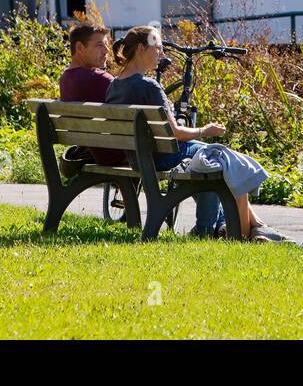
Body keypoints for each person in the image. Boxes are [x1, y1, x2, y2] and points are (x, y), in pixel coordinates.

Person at [104, 25, 291, 243]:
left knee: (212, 157)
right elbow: (175, 132)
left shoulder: (114, 85)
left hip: (138, 159)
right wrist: (205, 130)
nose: (161, 54)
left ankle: (241, 226)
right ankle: (237, 230)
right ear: (141, 48)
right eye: (157, 49)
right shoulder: (149, 87)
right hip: (164, 157)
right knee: (219, 157)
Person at [59, 23, 123, 166]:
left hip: (92, 151)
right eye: (99, 45)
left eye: (106, 45)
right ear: (80, 48)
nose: (106, 51)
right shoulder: (100, 79)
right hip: (119, 153)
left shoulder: (65, 79)